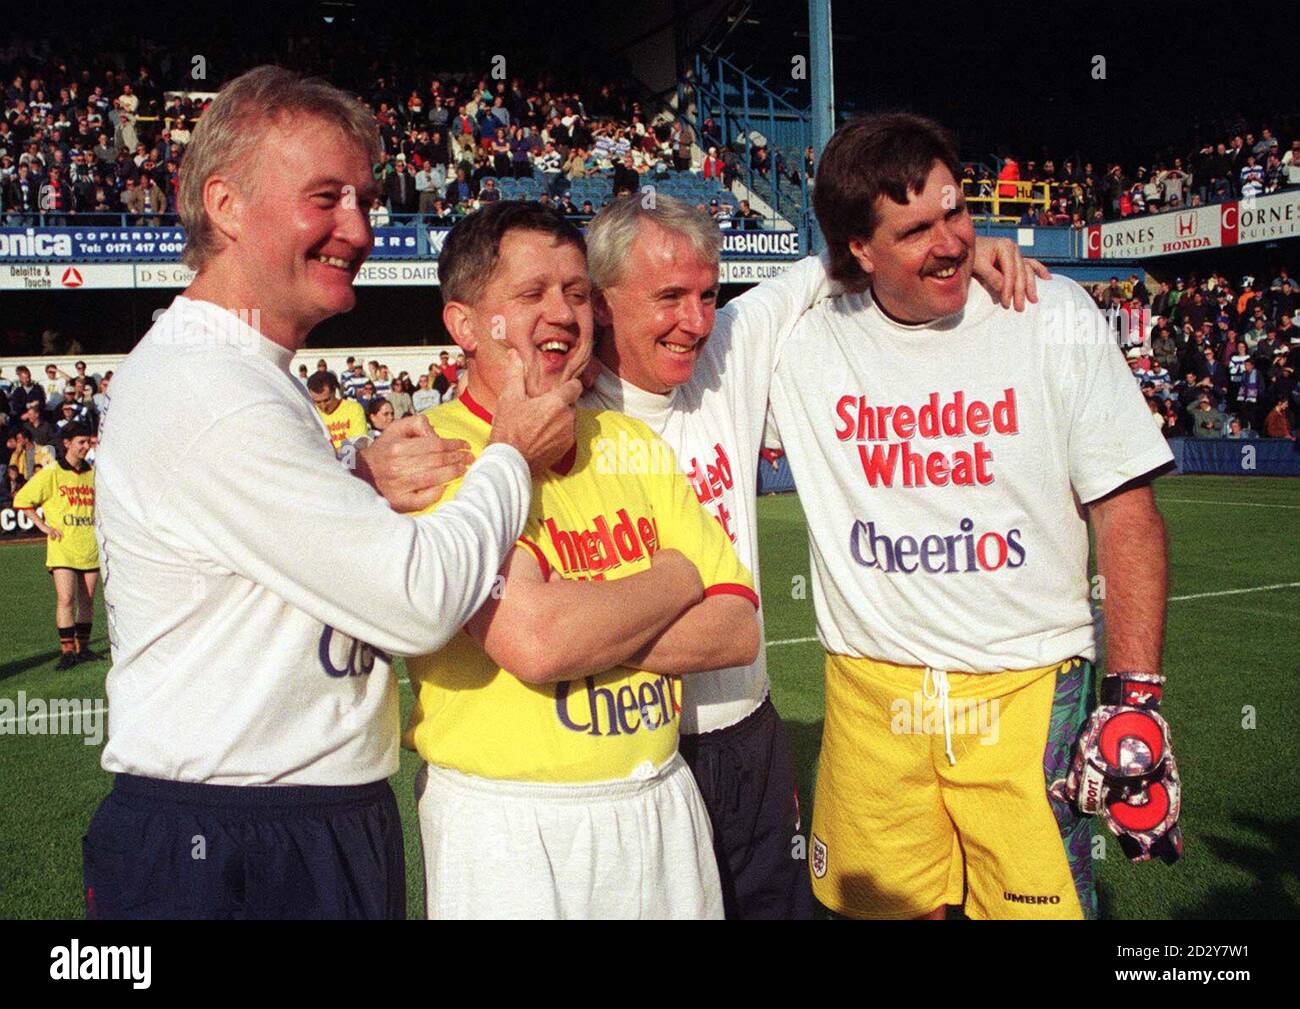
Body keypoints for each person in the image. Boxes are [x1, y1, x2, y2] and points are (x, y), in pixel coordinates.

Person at [85, 66, 582, 921]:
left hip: (295, 816)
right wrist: (508, 455)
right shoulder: (209, 386)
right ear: (226, 206)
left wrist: (353, 476)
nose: (358, 227)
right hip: (238, 833)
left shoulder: (243, 372)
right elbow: (416, 598)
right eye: (326, 197)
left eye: (364, 199)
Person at [581, 193, 1045, 918]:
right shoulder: (566, 416)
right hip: (639, 753)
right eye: (668, 297)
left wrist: (949, 258)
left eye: (707, 295)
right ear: (602, 302)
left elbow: (830, 265)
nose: (696, 322)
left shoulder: (728, 349)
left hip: (750, 733)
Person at [769, 113, 1178, 920]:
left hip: (1028, 688)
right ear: (858, 250)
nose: (952, 241)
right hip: (871, 693)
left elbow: (1125, 511)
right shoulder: (804, 346)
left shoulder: (1050, 314)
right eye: (914, 229)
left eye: (956, 211)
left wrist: (1134, 698)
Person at [404, 201, 759, 919]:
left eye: (574, 292)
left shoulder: (633, 441)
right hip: (509, 825)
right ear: (465, 324)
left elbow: (736, 629)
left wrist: (582, 614)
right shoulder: (427, 455)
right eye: (530, 294)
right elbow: (537, 642)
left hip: (660, 795)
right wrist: (675, 575)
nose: (562, 313)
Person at [12, 422, 99, 669]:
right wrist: (44, 527)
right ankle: (67, 652)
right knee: (66, 599)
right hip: (63, 547)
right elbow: (22, 500)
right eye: (81, 442)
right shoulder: (52, 473)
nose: (86, 446)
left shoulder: (93, 474)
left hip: (89, 545)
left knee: (88, 600)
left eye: (88, 442)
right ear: (67, 443)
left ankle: (83, 648)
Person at [307, 369, 367, 454]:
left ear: (334, 391)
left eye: (327, 400)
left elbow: (359, 443)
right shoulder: (312, 414)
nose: (323, 406)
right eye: (318, 402)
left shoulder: (353, 409)